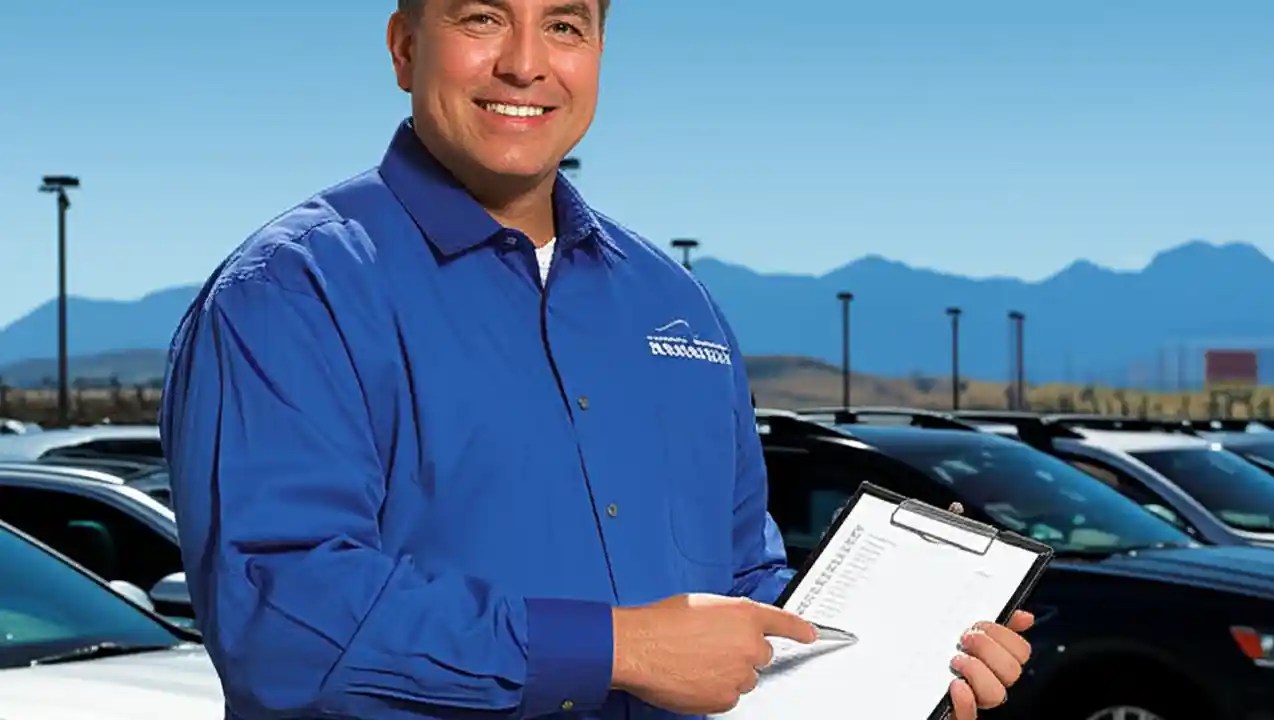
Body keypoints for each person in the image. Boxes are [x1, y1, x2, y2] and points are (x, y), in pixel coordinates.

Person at [159, 1, 1034, 719]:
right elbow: (284, 623)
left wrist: (901, 649)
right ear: (403, 47)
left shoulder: (675, 302)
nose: (527, 64)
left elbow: (740, 576)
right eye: (482, 20)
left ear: (600, 53)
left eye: (566, 26)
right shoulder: (292, 291)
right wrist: (621, 649)